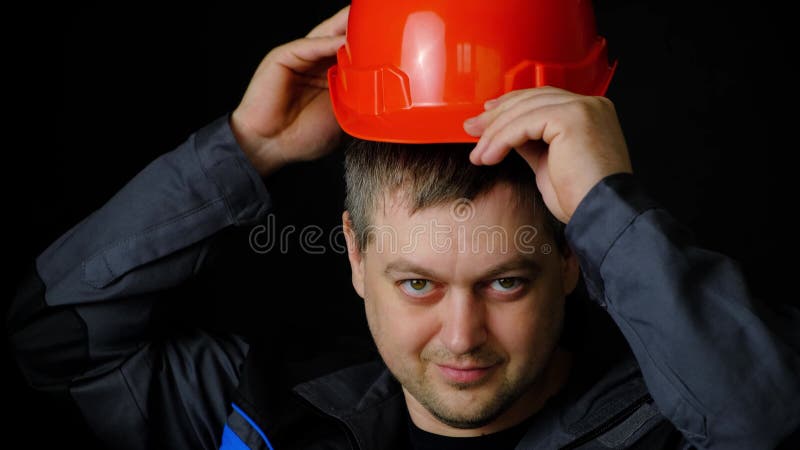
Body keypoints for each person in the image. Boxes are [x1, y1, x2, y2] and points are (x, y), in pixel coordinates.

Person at [5, 2, 799, 450]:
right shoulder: (265, 408)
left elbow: (765, 428)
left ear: (571, 260)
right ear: (353, 255)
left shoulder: (666, 424)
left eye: (505, 282)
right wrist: (247, 151)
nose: (461, 337)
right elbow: (58, 339)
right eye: (417, 283)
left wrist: (608, 207)